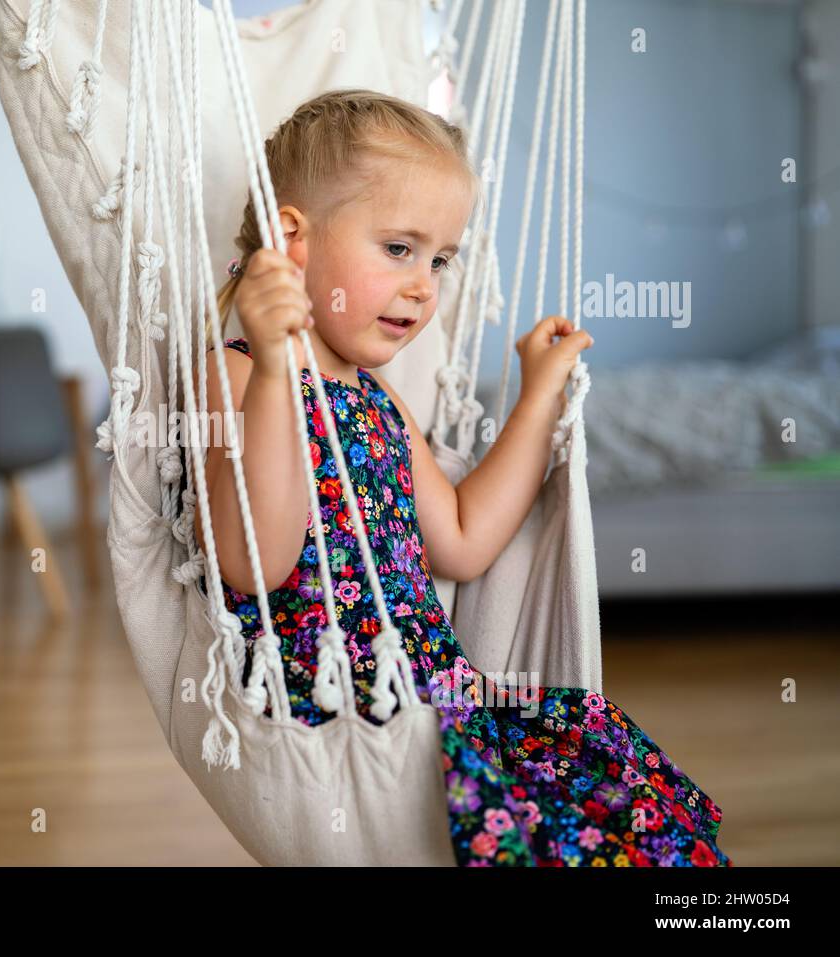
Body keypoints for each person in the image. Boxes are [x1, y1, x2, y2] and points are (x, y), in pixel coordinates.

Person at [194, 88, 729, 867]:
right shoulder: (237, 375)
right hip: (346, 706)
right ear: (290, 240)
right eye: (400, 248)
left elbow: (467, 541)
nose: (424, 285)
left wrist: (538, 395)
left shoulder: (379, 404)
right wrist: (277, 363)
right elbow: (254, 560)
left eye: (440, 259)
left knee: (621, 809)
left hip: (446, 700)